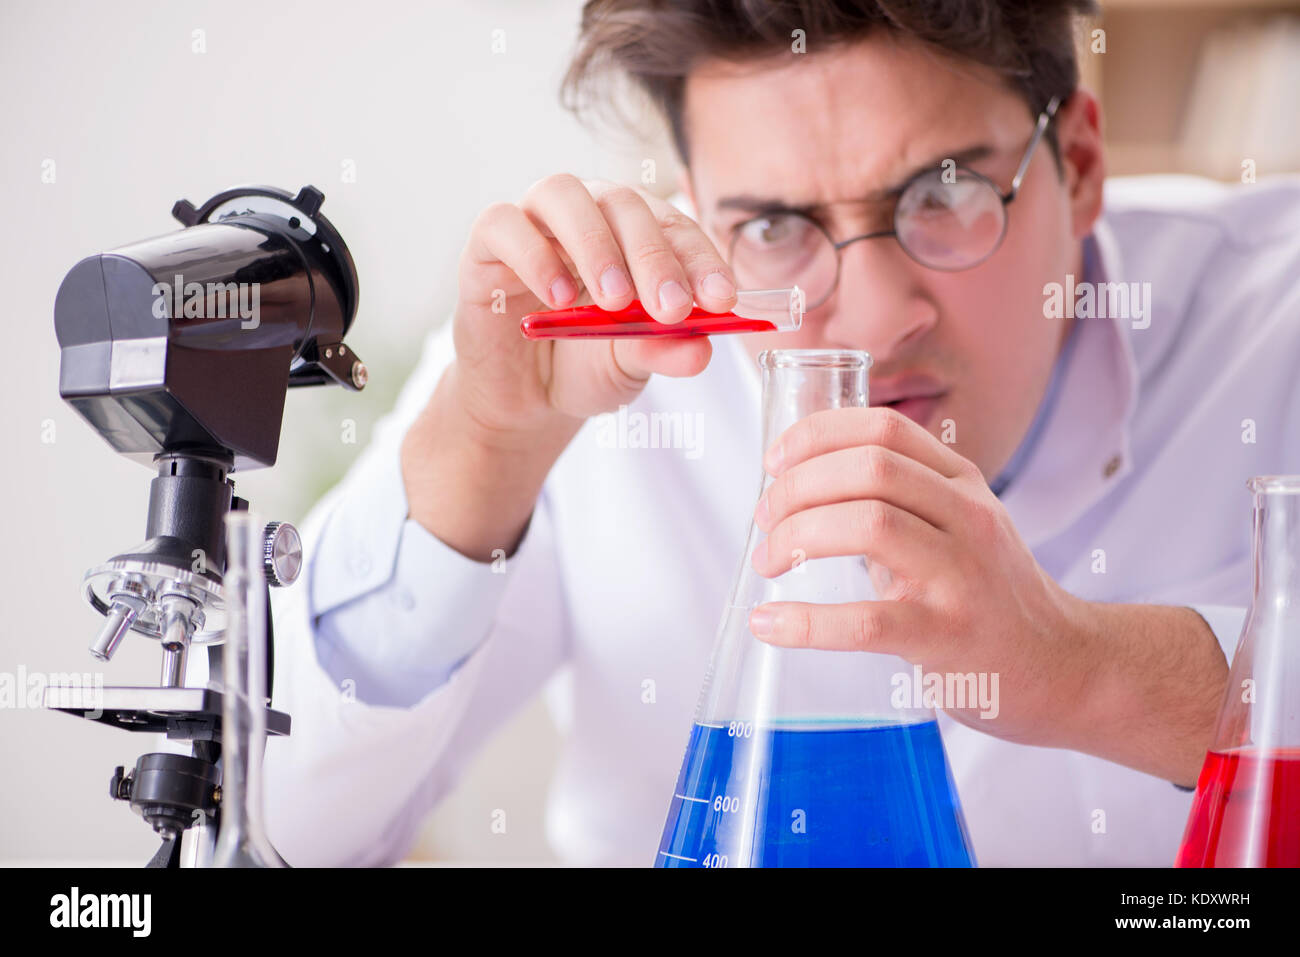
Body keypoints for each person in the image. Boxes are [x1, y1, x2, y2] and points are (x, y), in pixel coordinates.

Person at [262, 0, 1300, 866]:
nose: (876, 314)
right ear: (696, 210)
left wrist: (1080, 667)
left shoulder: (1276, 321)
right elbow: (278, 829)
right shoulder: (580, 361)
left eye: (944, 193)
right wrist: (485, 445)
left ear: (1076, 162)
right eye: (770, 226)